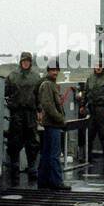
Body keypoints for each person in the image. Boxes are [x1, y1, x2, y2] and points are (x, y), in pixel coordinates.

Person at [4, 51, 42, 179]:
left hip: (31, 113)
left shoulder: (36, 77)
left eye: (28, 61)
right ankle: (14, 166)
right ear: (20, 61)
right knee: (14, 141)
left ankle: (32, 167)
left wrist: (39, 110)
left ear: (31, 62)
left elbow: (39, 96)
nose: (25, 63)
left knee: (32, 142)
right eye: (23, 61)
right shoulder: (12, 76)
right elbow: (5, 92)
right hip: (16, 113)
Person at [36, 60, 71, 190]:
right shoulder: (47, 85)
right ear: (48, 71)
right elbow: (48, 106)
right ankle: (57, 182)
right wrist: (61, 119)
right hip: (53, 125)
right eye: (52, 70)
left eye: (57, 70)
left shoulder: (52, 85)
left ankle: (44, 181)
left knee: (46, 154)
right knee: (54, 154)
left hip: (51, 125)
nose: (55, 72)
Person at [82, 59, 104, 159]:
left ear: (103, 67)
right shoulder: (90, 78)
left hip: (103, 109)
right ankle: (87, 155)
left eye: (100, 66)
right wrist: (82, 105)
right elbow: (86, 92)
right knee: (90, 133)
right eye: (96, 66)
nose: (98, 68)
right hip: (91, 109)